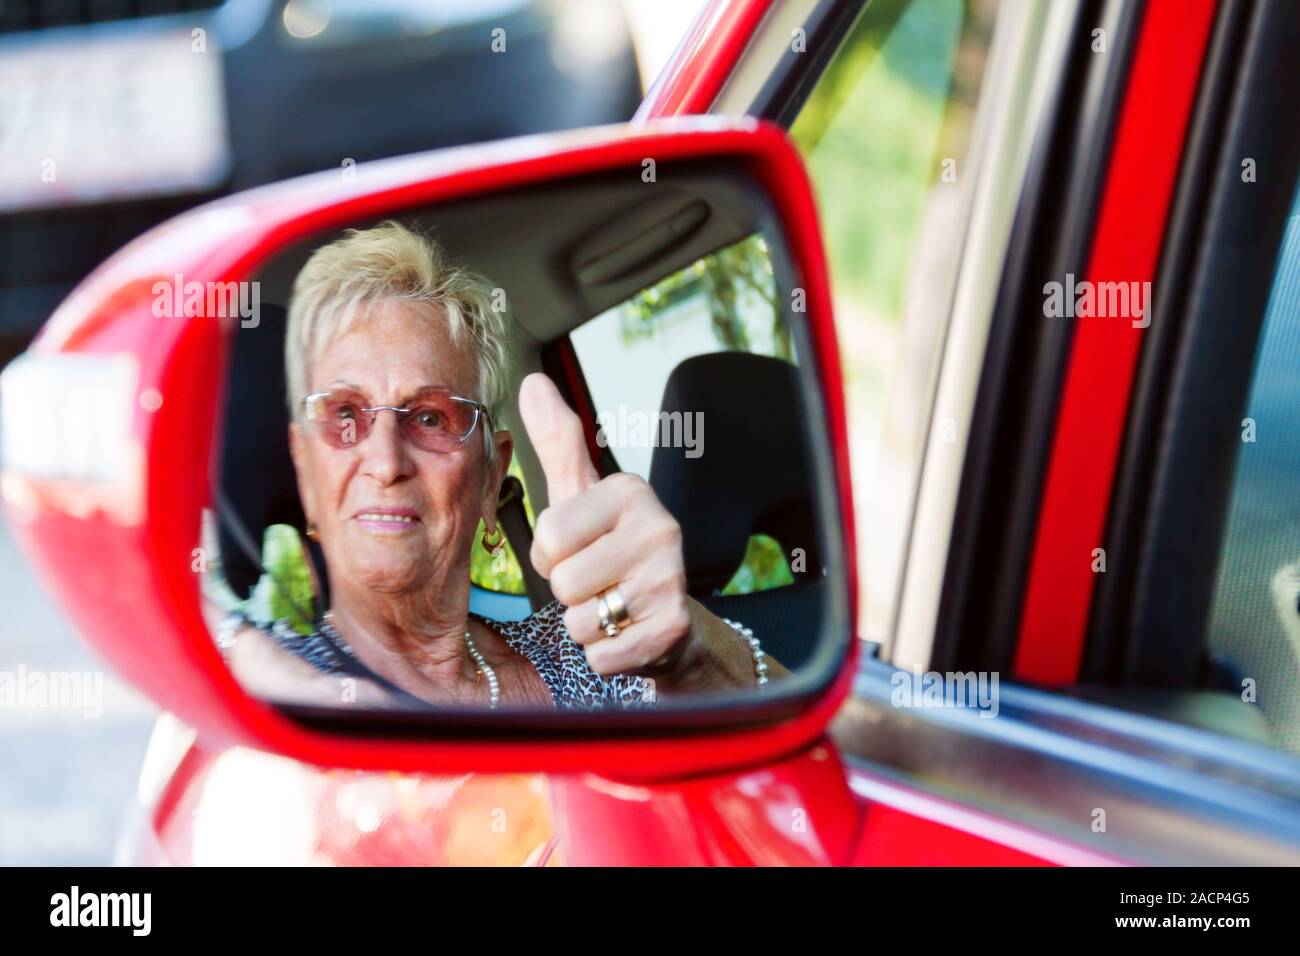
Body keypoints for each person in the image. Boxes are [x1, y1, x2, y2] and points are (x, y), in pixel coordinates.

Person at [222, 221, 786, 710]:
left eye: (431, 418)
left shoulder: (590, 650)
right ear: (304, 471)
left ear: (492, 479)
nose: (386, 462)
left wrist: (689, 648)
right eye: (346, 414)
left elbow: (826, 736)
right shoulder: (271, 679)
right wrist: (234, 648)